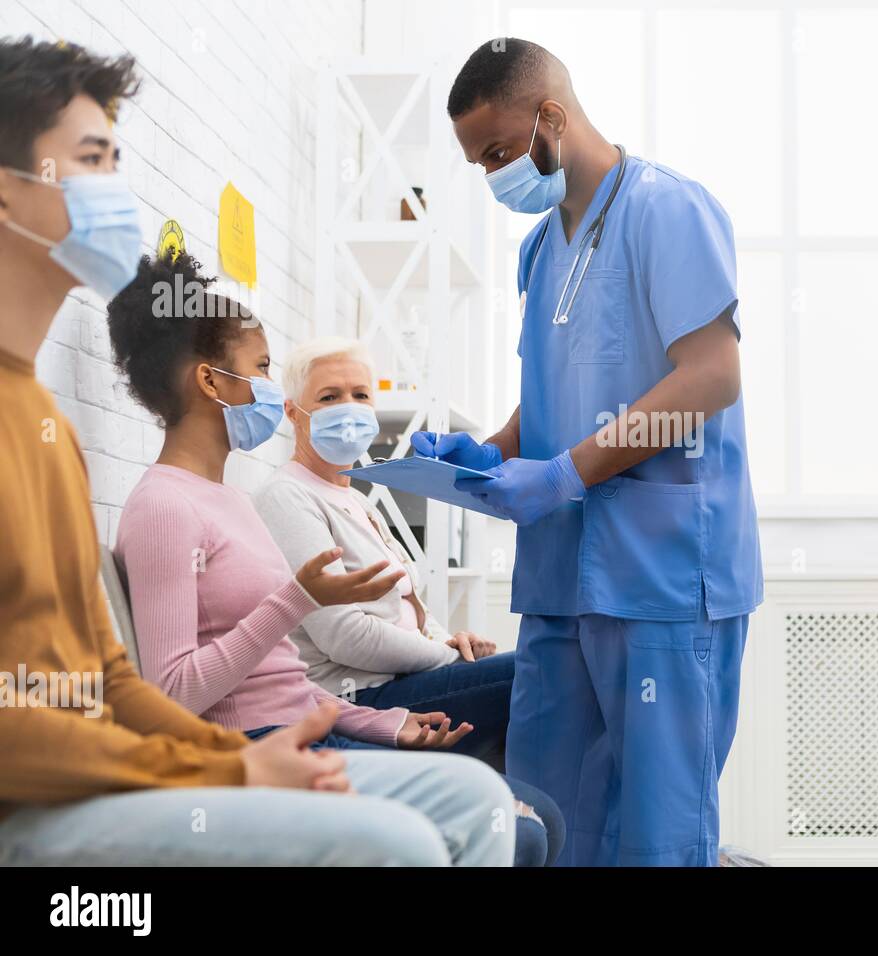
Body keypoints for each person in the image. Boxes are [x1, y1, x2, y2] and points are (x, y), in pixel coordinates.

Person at [0, 36, 513, 866]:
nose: (111, 193)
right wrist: (221, 766)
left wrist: (247, 756)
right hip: (50, 799)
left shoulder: (49, 434)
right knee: (407, 845)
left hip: (156, 762)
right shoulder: (159, 499)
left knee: (479, 800)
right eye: (89, 162)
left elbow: (115, 682)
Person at [414, 38, 763, 866]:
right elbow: (559, 392)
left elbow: (710, 377)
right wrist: (485, 452)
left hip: (664, 578)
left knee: (657, 835)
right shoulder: (541, 248)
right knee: (545, 823)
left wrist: (567, 473)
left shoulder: (667, 210)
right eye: (477, 162)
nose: (494, 175)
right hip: (560, 582)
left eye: (499, 152)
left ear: (552, 117)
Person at [108, 251, 558, 866]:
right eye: (261, 369)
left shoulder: (230, 501)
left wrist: (387, 724)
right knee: (523, 833)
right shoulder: (163, 506)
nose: (270, 387)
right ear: (212, 382)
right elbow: (170, 697)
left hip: (314, 726)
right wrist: (297, 599)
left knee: (545, 819)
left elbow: (289, 685)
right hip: (254, 747)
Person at [251, 336, 562, 861]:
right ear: (292, 413)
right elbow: (344, 635)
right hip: (360, 697)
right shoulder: (287, 497)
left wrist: (447, 636)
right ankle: (495, 802)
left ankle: (502, 801)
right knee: (537, 670)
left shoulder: (355, 498)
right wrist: (447, 658)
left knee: (536, 690)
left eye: (360, 395)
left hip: (403, 681)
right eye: (329, 397)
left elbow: (406, 606)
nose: (348, 408)